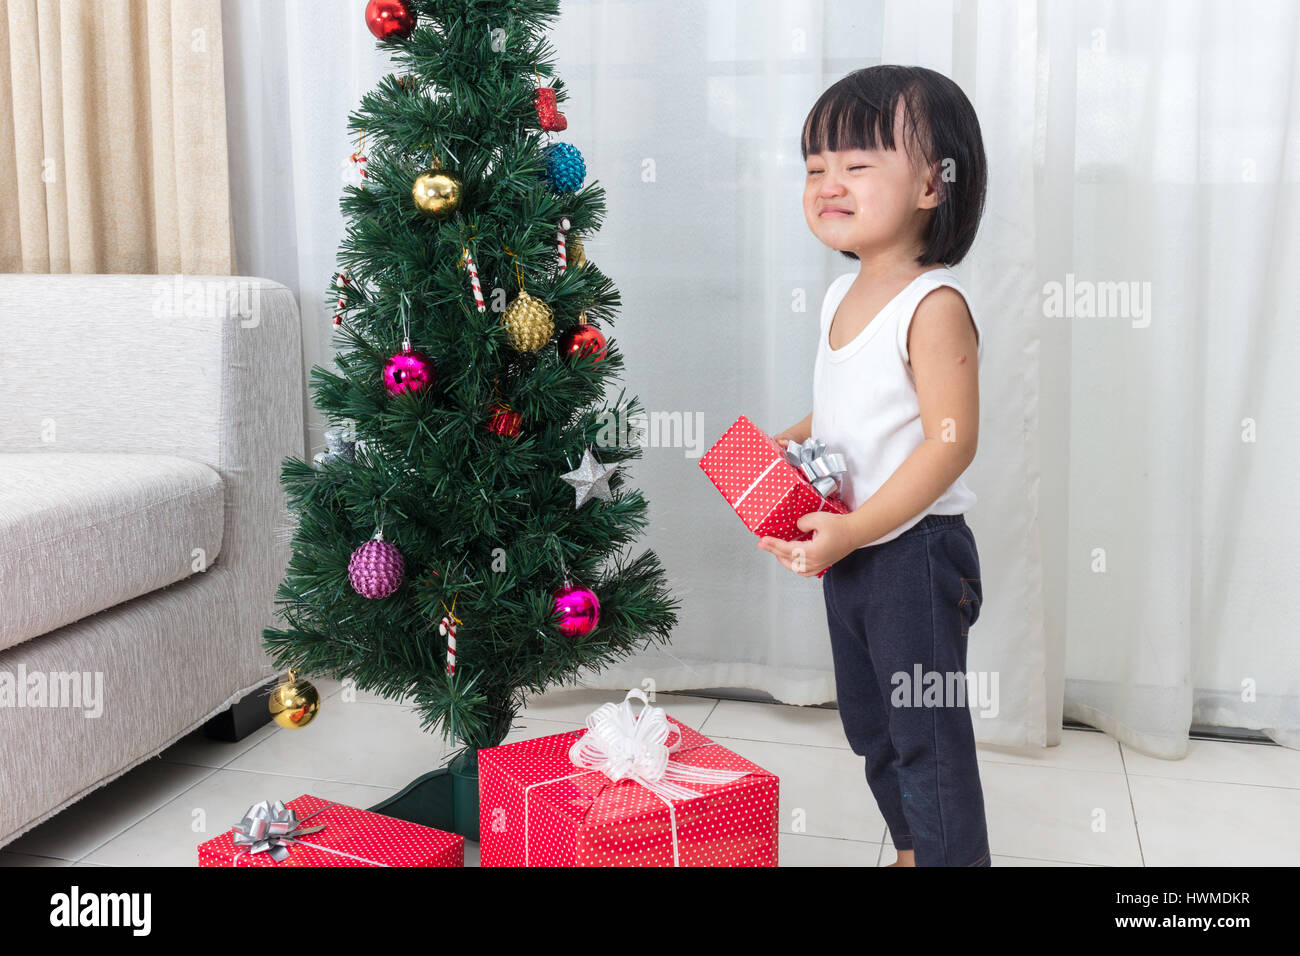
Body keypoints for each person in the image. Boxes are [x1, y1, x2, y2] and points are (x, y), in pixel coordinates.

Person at [759, 65, 991, 867]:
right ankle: (912, 848)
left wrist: (857, 527)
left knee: (925, 731)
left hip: (915, 554)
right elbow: (847, 413)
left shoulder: (934, 305)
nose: (829, 183)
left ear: (934, 183)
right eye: (816, 167)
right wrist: (777, 451)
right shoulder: (839, 297)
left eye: (857, 165)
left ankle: (948, 857)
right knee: (871, 724)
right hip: (854, 550)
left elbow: (949, 439)